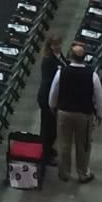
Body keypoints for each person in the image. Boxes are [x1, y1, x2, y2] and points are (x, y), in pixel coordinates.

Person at [47, 40, 102, 185]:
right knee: (83, 144)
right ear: (84, 57)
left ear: (71, 57)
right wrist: (100, 114)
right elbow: (99, 97)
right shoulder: (92, 76)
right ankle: (83, 173)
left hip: (64, 112)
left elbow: (53, 92)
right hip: (83, 115)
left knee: (63, 144)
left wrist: (53, 106)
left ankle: (64, 173)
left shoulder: (62, 72)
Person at [35, 35, 62, 170]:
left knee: (53, 127)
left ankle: (49, 149)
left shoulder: (59, 56)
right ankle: (44, 155)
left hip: (54, 97)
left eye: (59, 44)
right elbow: (49, 81)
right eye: (55, 44)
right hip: (47, 97)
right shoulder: (48, 61)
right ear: (50, 46)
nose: (57, 47)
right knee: (47, 128)